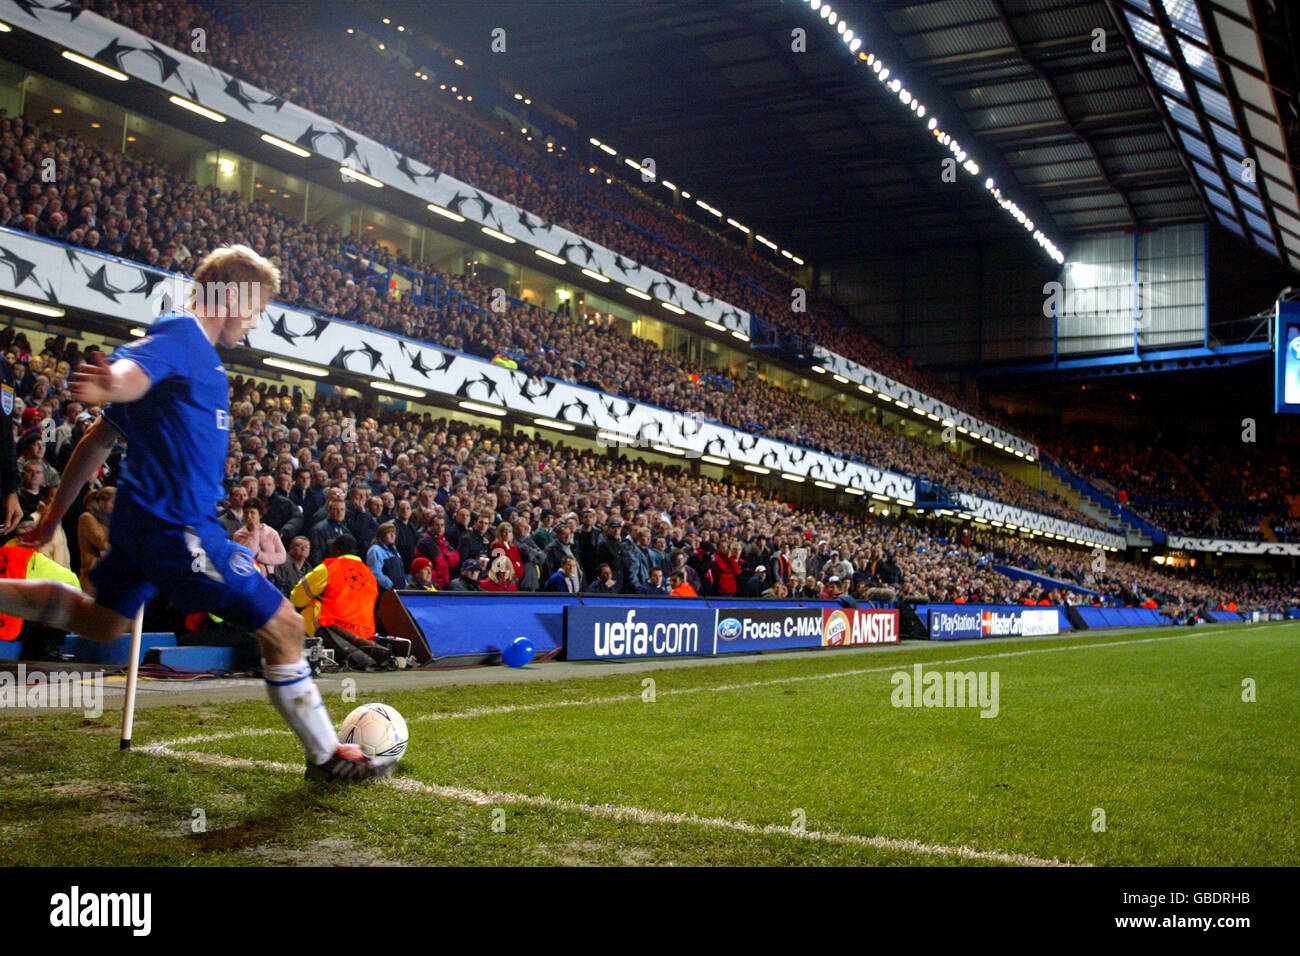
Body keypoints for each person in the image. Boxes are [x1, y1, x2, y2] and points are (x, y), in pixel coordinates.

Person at [1, 246, 391, 780]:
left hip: (143, 526)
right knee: (284, 626)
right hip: (179, 527)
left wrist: (50, 519)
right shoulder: (183, 336)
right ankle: (327, 757)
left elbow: (98, 440)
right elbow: (132, 371)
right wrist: (112, 382)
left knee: (101, 621)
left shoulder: (196, 354)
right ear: (230, 296)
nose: (253, 325)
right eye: (254, 311)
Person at [291, 534, 390, 672]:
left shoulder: (329, 567)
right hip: (365, 635)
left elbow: (296, 598)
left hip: (334, 633)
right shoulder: (369, 574)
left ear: (336, 551)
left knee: (311, 603)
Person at [232, 502, 286, 574]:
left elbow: (282, 557)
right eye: (246, 512)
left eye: (252, 513)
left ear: (260, 515)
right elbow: (249, 554)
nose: (249, 515)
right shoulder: (238, 535)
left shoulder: (271, 533)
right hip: (249, 576)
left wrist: (260, 556)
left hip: (268, 578)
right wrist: (255, 531)